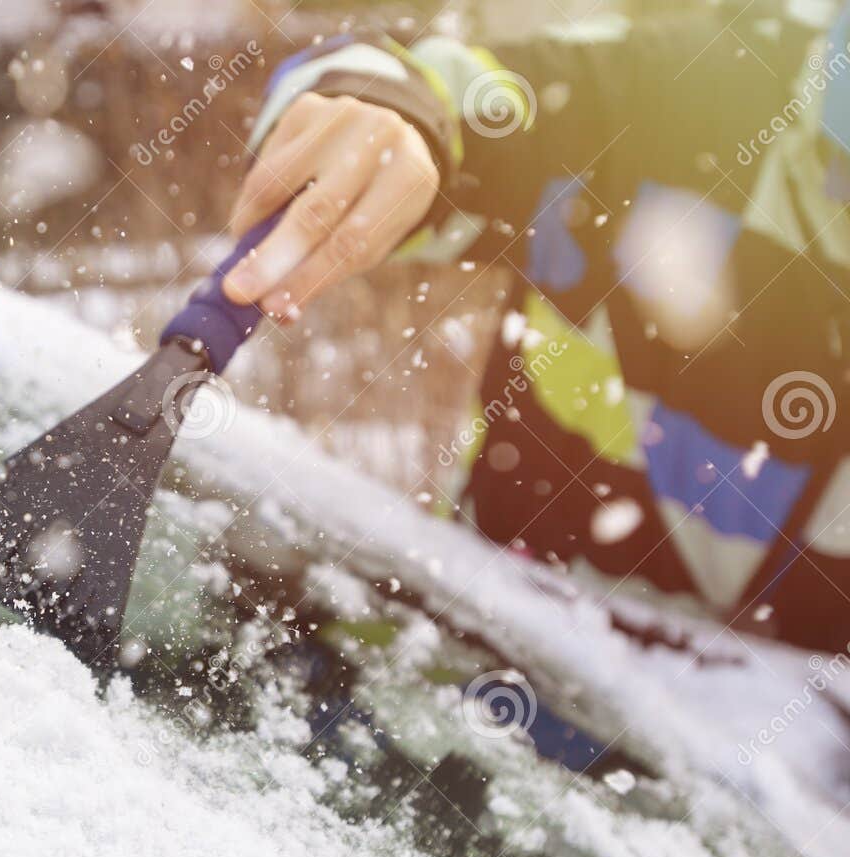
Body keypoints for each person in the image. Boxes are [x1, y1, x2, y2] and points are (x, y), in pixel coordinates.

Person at [224, 2, 850, 653]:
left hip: (771, 744)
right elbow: (442, 84)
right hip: (468, 673)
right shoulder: (681, 92)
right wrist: (384, 106)